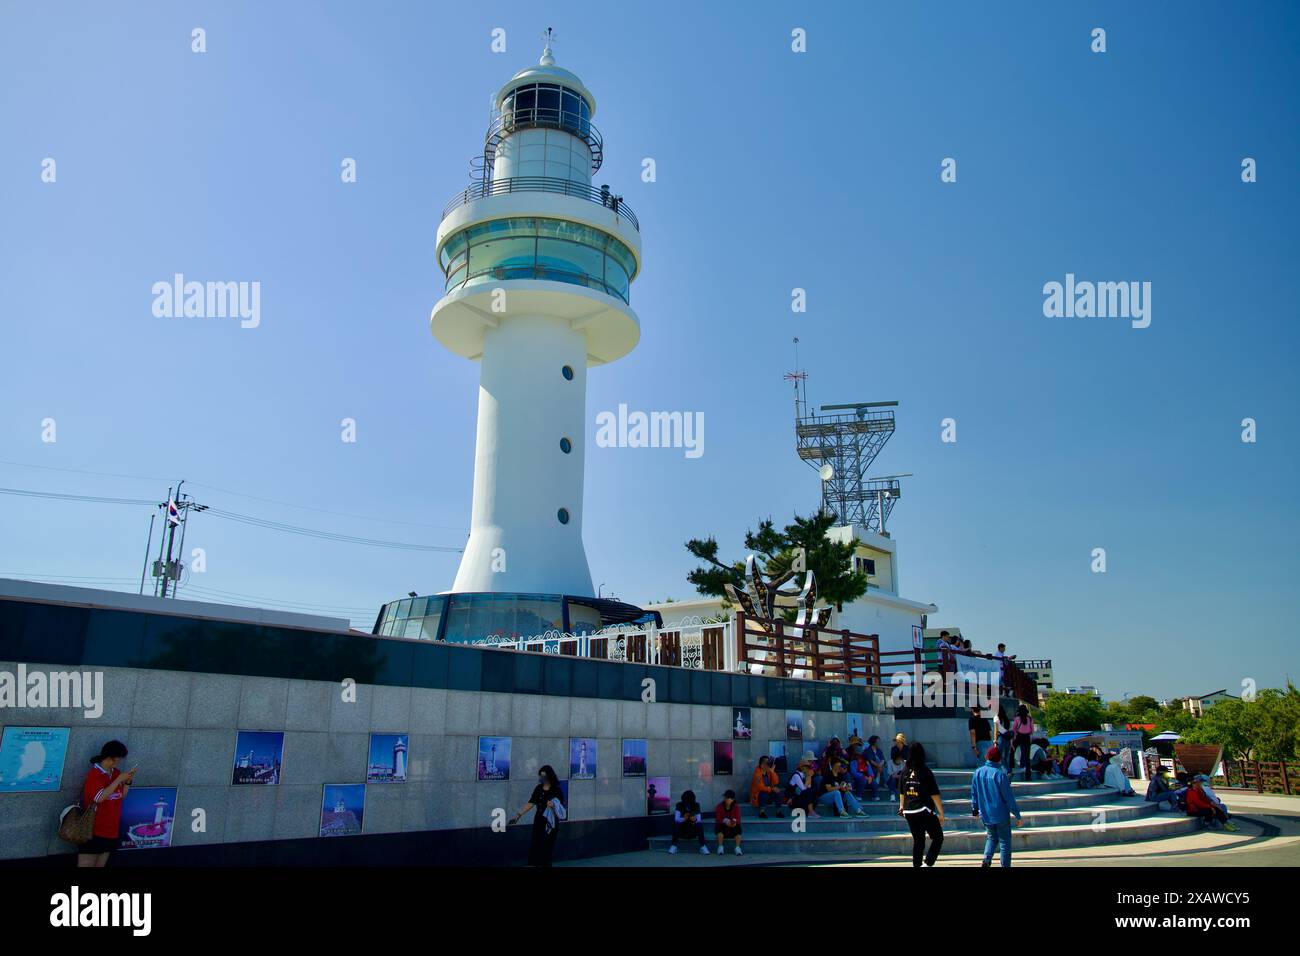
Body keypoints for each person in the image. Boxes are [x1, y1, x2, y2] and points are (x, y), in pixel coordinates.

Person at [78, 740, 135, 868]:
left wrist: (127, 782)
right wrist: (118, 780)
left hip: (111, 829)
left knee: (100, 864)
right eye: (117, 759)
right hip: (93, 829)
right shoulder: (95, 774)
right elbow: (99, 797)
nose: (117, 762)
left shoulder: (115, 773)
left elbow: (121, 796)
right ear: (110, 758)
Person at [970, 745, 1024, 867]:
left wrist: (974, 809)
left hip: (985, 814)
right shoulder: (1000, 775)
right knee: (1005, 842)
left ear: (986, 757)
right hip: (1001, 814)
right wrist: (1018, 815)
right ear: (999, 759)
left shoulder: (977, 773)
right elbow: (1008, 797)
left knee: (991, 837)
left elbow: (974, 793)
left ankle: (986, 859)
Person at [898, 742, 944, 867]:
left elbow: (902, 791)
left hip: (909, 810)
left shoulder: (905, 771)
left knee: (918, 841)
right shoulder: (924, 770)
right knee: (938, 837)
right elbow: (934, 793)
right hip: (922, 809)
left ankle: (917, 865)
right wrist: (941, 813)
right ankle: (928, 863)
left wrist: (901, 806)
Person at [511, 764, 566, 866]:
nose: (542, 778)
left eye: (544, 776)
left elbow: (561, 807)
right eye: (541, 776)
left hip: (551, 822)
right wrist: (519, 815)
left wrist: (553, 805)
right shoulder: (538, 788)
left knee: (548, 845)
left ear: (550, 776)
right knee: (536, 843)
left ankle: (546, 863)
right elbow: (531, 802)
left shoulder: (556, 790)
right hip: (539, 819)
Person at [670, 789, 709, 854]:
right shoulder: (679, 805)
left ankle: (703, 846)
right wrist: (683, 819)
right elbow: (676, 819)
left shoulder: (696, 805)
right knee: (675, 823)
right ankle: (674, 846)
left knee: (699, 824)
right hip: (682, 830)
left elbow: (699, 820)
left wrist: (694, 819)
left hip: (692, 830)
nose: (687, 804)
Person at [715, 789, 744, 854]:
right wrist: (725, 821)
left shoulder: (736, 807)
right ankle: (720, 847)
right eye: (725, 797)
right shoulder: (719, 806)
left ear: (732, 799)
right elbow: (718, 819)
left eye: (728, 798)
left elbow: (738, 819)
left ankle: (737, 848)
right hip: (723, 825)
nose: (726, 799)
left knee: (738, 830)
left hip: (733, 825)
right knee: (719, 829)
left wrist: (734, 822)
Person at [1011, 705, 1034, 781]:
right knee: (1027, 757)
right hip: (1027, 737)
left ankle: (1011, 766)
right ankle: (1028, 776)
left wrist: (1015, 736)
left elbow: (1014, 729)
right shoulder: (1030, 719)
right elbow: (1032, 730)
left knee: (1012, 750)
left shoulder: (1017, 719)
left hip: (1019, 736)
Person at [865, 735, 887, 801]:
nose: (879, 743)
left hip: (879, 767)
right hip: (872, 768)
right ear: (874, 742)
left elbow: (883, 759)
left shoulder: (879, 750)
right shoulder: (868, 750)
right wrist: (878, 766)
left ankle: (884, 783)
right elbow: (870, 761)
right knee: (876, 769)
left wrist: (880, 765)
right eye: (878, 741)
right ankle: (877, 784)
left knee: (885, 768)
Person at [994, 707, 1015, 775]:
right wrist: (1011, 742)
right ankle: (1009, 770)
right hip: (1008, 739)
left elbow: (996, 730)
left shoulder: (996, 717)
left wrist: (995, 740)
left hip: (1000, 738)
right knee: (1006, 757)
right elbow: (1009, 730)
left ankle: (1006, 771)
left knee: (1000, 756)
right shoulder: (1006, 718)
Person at [888, 733, 909, 799]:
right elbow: (893, 758)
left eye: (898, 741)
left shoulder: (906, 748)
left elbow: (907, 757)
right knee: (893, 779)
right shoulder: (894, 748)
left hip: (903, 767)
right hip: (894, 772)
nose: (897, 743)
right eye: (896, 741)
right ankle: (892, 795)